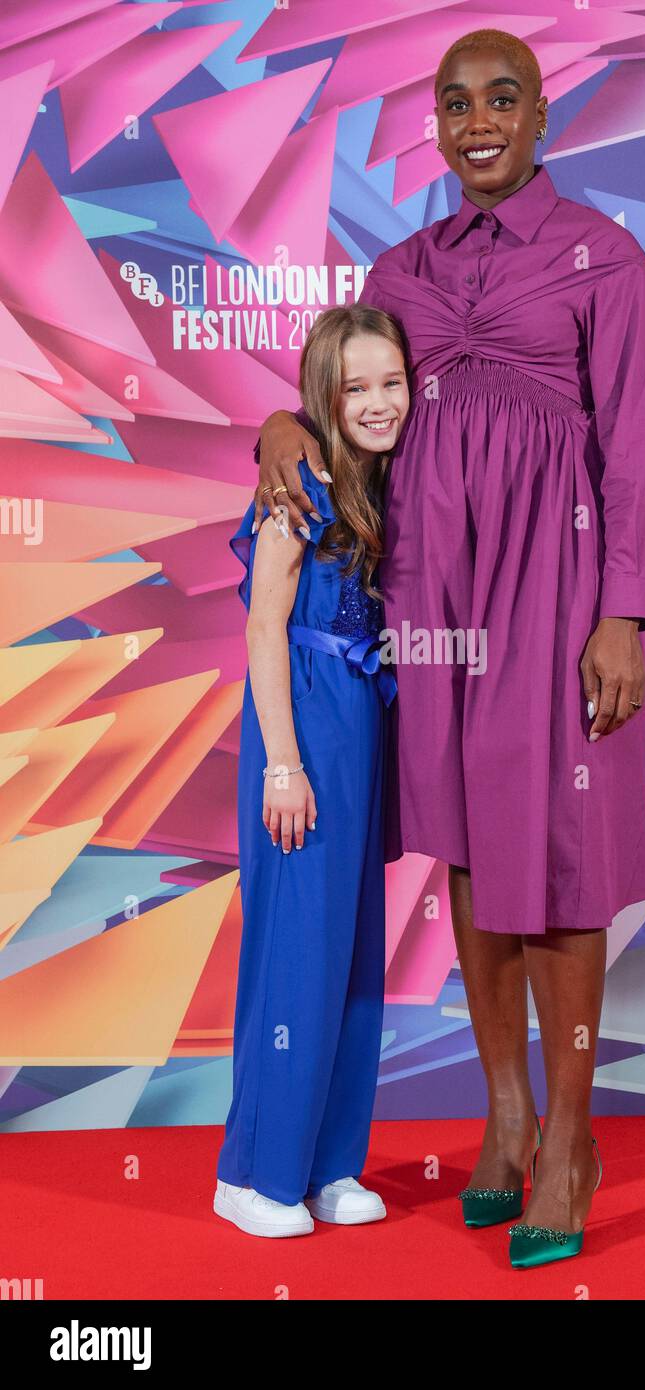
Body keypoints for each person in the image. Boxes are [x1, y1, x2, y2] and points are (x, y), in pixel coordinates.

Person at [252, 29, 645, 1267]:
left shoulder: (604, 257)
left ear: (540, 115)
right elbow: (343, 393)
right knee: (473, 854)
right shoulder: (400, 266)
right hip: (433, 606)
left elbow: (634, 450)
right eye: (453, 103)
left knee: (564, 859)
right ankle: (503, 1121)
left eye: (501, 99)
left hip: (559, 594)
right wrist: (281, 418)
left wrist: (621, 615)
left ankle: (575, 1137)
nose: (476, 119)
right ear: (431, 126)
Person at [214, 305, 410, 1237]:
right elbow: (262, 627)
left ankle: (332, 1166)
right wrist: (281, 767)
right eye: (356, 387)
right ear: (323, 397)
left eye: (392, 382)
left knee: (352, 954)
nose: (379, 403)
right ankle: (256, 1171)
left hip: (361, 728)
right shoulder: (299, 485)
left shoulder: (385, 481)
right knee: (295, 952)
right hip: (302, 729)